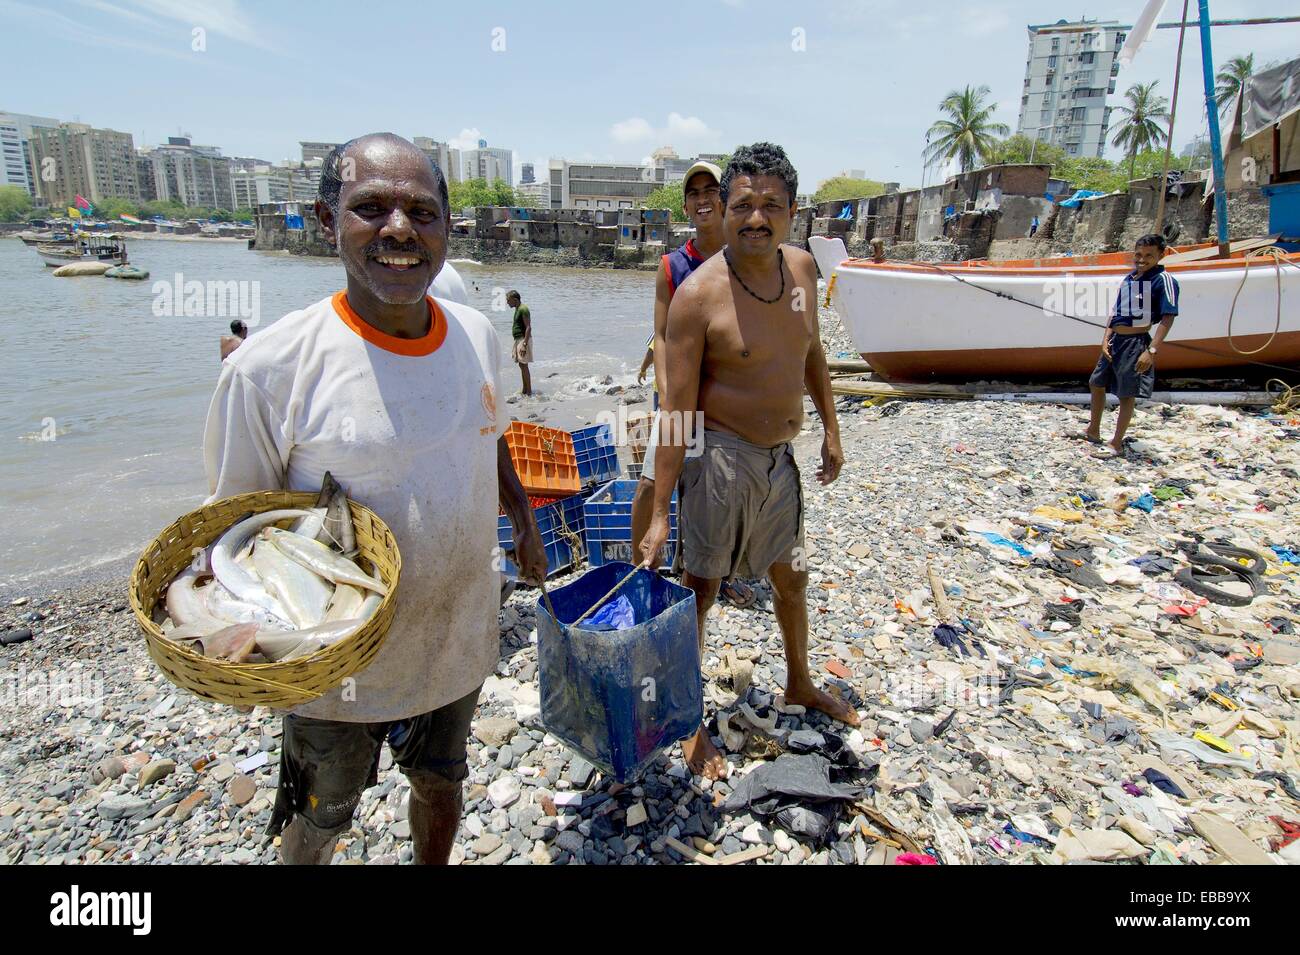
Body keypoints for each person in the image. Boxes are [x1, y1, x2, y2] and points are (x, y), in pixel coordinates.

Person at [204, 133, 547, 865]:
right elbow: (234, 537)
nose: (399, 229)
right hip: (332, 664)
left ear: (448, 231)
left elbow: (486, 437)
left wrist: (522, 519)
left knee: (441, 782)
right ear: (328, 222)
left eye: (423, 212)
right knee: (324, 811)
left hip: (454, 635)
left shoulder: (478, 336)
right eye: (371, 208)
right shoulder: (269, 369)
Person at [640, 142, 859, 780]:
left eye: (770, 205)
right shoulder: (696, 298)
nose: (755, 218)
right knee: (701, 589)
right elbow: (675, 414)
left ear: (793, 213)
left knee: (790, 577)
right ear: (723, 211)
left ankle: (799, 683)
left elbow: (811, 352)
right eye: (742, 205)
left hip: (779, 457)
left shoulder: (803, 271)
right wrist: (659, 513)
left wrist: (832, 429)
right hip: (722, 458)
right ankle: (684, 718)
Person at [629, 161, 754, 606]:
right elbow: (660, 335)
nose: (703, 199)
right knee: (650, 486)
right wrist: (667, 393)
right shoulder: (672, 266)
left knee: (718, 495)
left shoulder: (744, 260)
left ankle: (715, 572)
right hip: (679, 404)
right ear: (685, 204)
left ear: (725, 200)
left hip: (725, 405)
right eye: (694, 192)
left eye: (711, 190)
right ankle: (639, 563)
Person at [1078, 232, 1179, 456]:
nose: (1142, 260)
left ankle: (1116, 443)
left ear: (1161, 256)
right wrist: (1105, 339)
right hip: (1115, 340)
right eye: (1138, 255)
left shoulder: (1163, 280)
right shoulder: (1130, 278)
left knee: (1126, 393)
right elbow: (1116, 312)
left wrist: (1151, 351)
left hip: (1135, 342)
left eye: (1148, 256)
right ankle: (1093, 430)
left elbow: (1168, 317)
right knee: (1096, 382)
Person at [507, 289, 532, 396]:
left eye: (509, 300)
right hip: (518, 339)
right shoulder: (517, 309)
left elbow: (528, 327)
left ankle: (529, 391)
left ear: (515, 300)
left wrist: (524, 345)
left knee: (524, 365)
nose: (507, 302)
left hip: (523, 339)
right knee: (521, 365)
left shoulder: (523, 309)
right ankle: (524, 390)